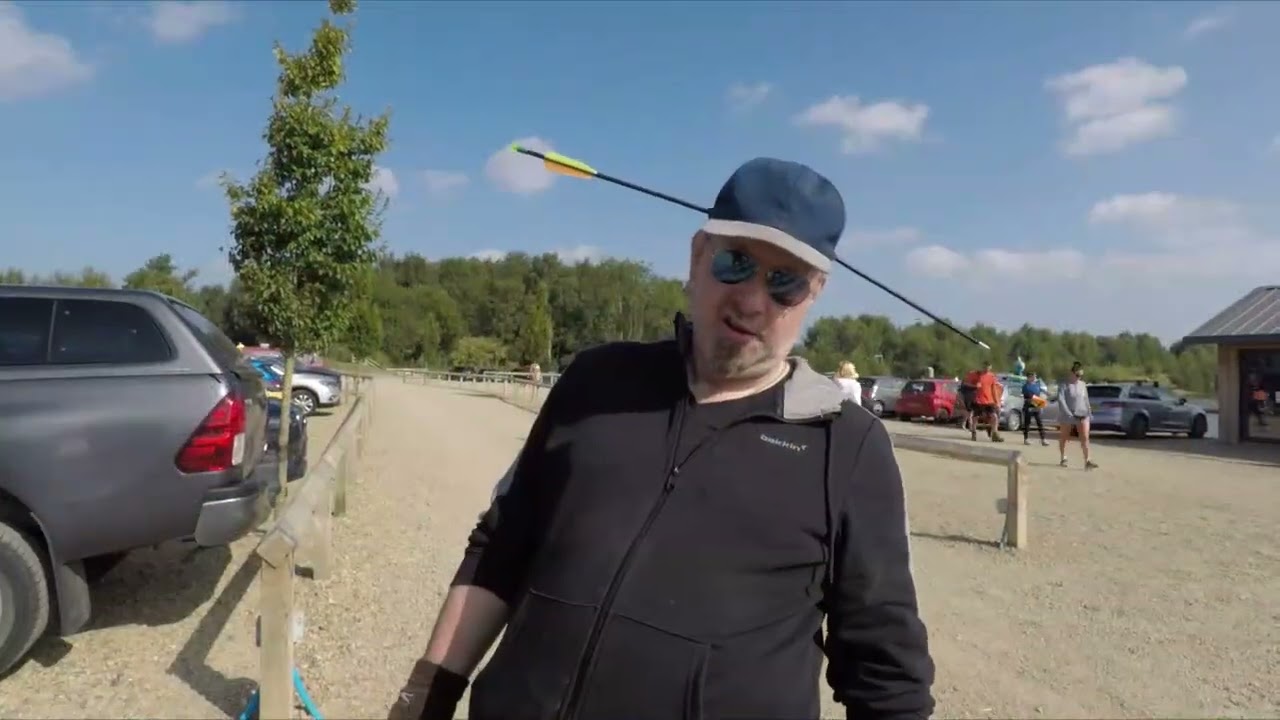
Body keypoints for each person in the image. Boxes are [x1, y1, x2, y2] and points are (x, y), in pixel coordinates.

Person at [387, 157, 936, 720]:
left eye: (784, 281)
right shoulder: (596, 381)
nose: (752, 299)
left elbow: (885, 671)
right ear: (698, 256)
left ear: (813, 293)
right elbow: (501, 546)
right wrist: (423, 697)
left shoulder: (846, 446)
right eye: (736, 262)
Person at [1057, 361, 1098, 470]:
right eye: (1077, 375)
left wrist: (1089, 412)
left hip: (1082, 414)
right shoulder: (1064, 385)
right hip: (1068, 415)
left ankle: (1087, 460)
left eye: (1080, 375)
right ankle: (1063, 457)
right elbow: (1061, 400)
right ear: (1072, 373)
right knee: (1065, 437)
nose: (1078, 377)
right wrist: (1068, 413)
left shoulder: (1083, 385)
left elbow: (1086, 399)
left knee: (1085, 437)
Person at [970, 361, 1004, 442]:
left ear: (990, 367)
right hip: (978, 400)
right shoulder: (978, 375)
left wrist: (997, 402)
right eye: (985, 366)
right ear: (983, 366)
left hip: (989, 401)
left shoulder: (992, 376)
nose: (986, 368)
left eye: (988, 366)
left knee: (994, 417)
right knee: (975, 417)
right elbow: (970, 383)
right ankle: (973, 432)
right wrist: (975, 386)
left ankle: (994, 434)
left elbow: (994, 390)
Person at [1020, 371, 1049, 446]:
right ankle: (1026, 439)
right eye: (1033, 376)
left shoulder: (1037, 385)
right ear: (1029, 377)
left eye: (1035, 376)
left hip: (1036, 406)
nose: (1034, 378)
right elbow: (1028, 396)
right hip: (1029, 406)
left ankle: (1043, 439)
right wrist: (1038, 402)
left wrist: (1042, 401)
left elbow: (1040, 394)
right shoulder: (1025, 386)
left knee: (1040, 423)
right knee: (1027, 423)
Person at [960, 366, 981, 432]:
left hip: (972, 394)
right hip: (969, 394)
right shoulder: (972, 375)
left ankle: (966, 424)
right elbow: (965, 384)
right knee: (970, 410)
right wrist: (975, 386)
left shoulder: (978, 375)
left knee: (970, 411)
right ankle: (969, 426)